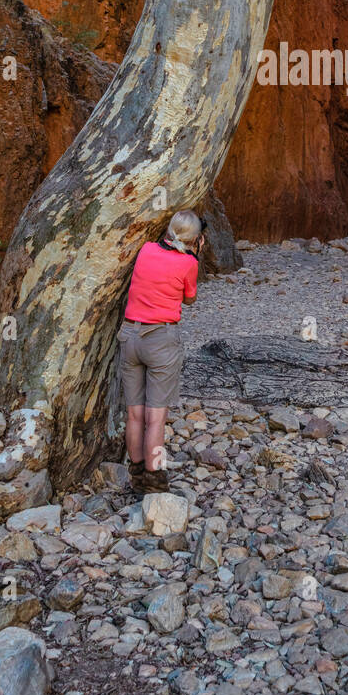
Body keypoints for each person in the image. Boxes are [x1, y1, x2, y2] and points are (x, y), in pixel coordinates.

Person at [119, 209, 205, 493]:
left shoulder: (144, 250)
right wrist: (195, 255)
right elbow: (189, 299)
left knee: (135, 415)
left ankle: (136, 474)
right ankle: (154, 480)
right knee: (156, 418)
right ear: (196, 239)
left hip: (130, 335)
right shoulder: (188, 263)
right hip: (161, 340)